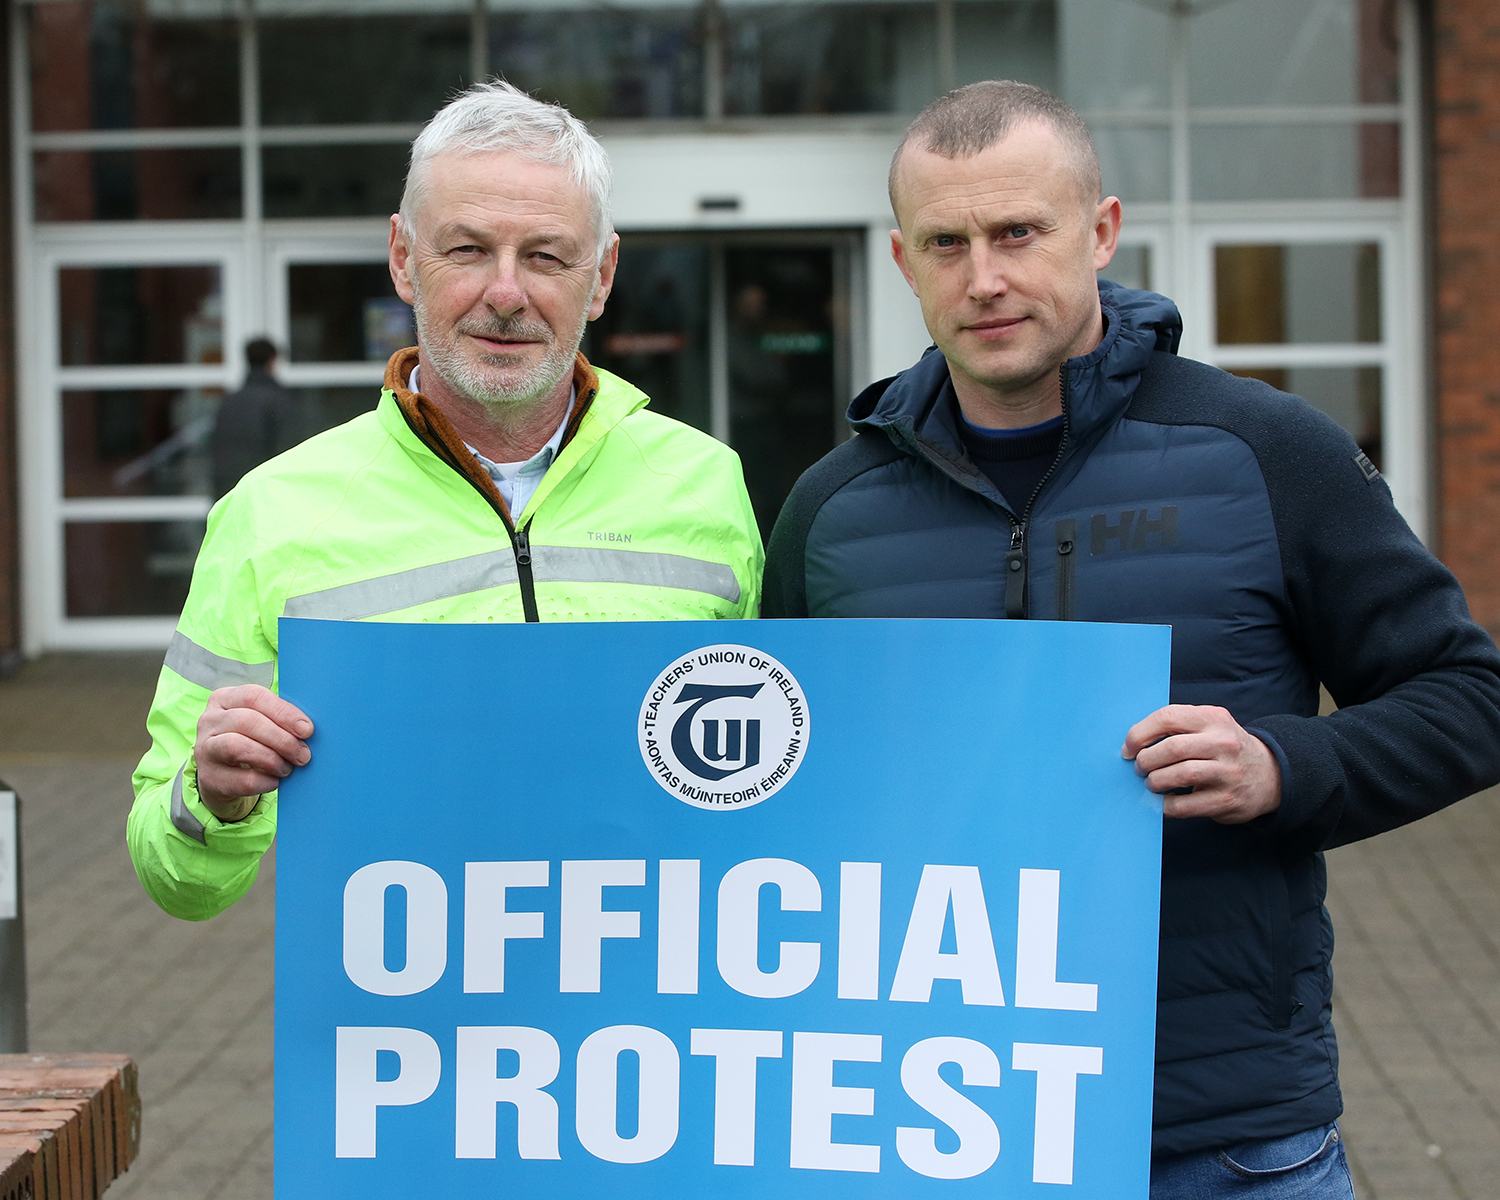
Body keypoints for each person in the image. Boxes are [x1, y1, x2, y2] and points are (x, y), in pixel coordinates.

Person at [763, 80, 1500, 1198]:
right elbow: (784, 795)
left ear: (1101, 231)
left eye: (1019, 232)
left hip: (1223, 1133)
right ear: (905, 262)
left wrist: (1283, 765)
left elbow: (1469, 696)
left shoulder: (1265, 451)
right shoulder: (832, 510)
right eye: (947, 243)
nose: (984, 277)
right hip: (932, 1125)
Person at [129, 81, 762, 922]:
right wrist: (214, 797)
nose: (506, 293)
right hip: (404, 1000)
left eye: (546, 256)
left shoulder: (706, 483)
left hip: (651, 991)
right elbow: (177, 881)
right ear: (403, 259)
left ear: (602, 276)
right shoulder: (272, 513)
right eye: (466, 250)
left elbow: (770, 779)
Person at [208, 337, 299, 499]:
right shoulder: (280, 400)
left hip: (229, 491)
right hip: (264, 491)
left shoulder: (228, 401)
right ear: (272, 360)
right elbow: (288, 450)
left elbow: (217, 449)